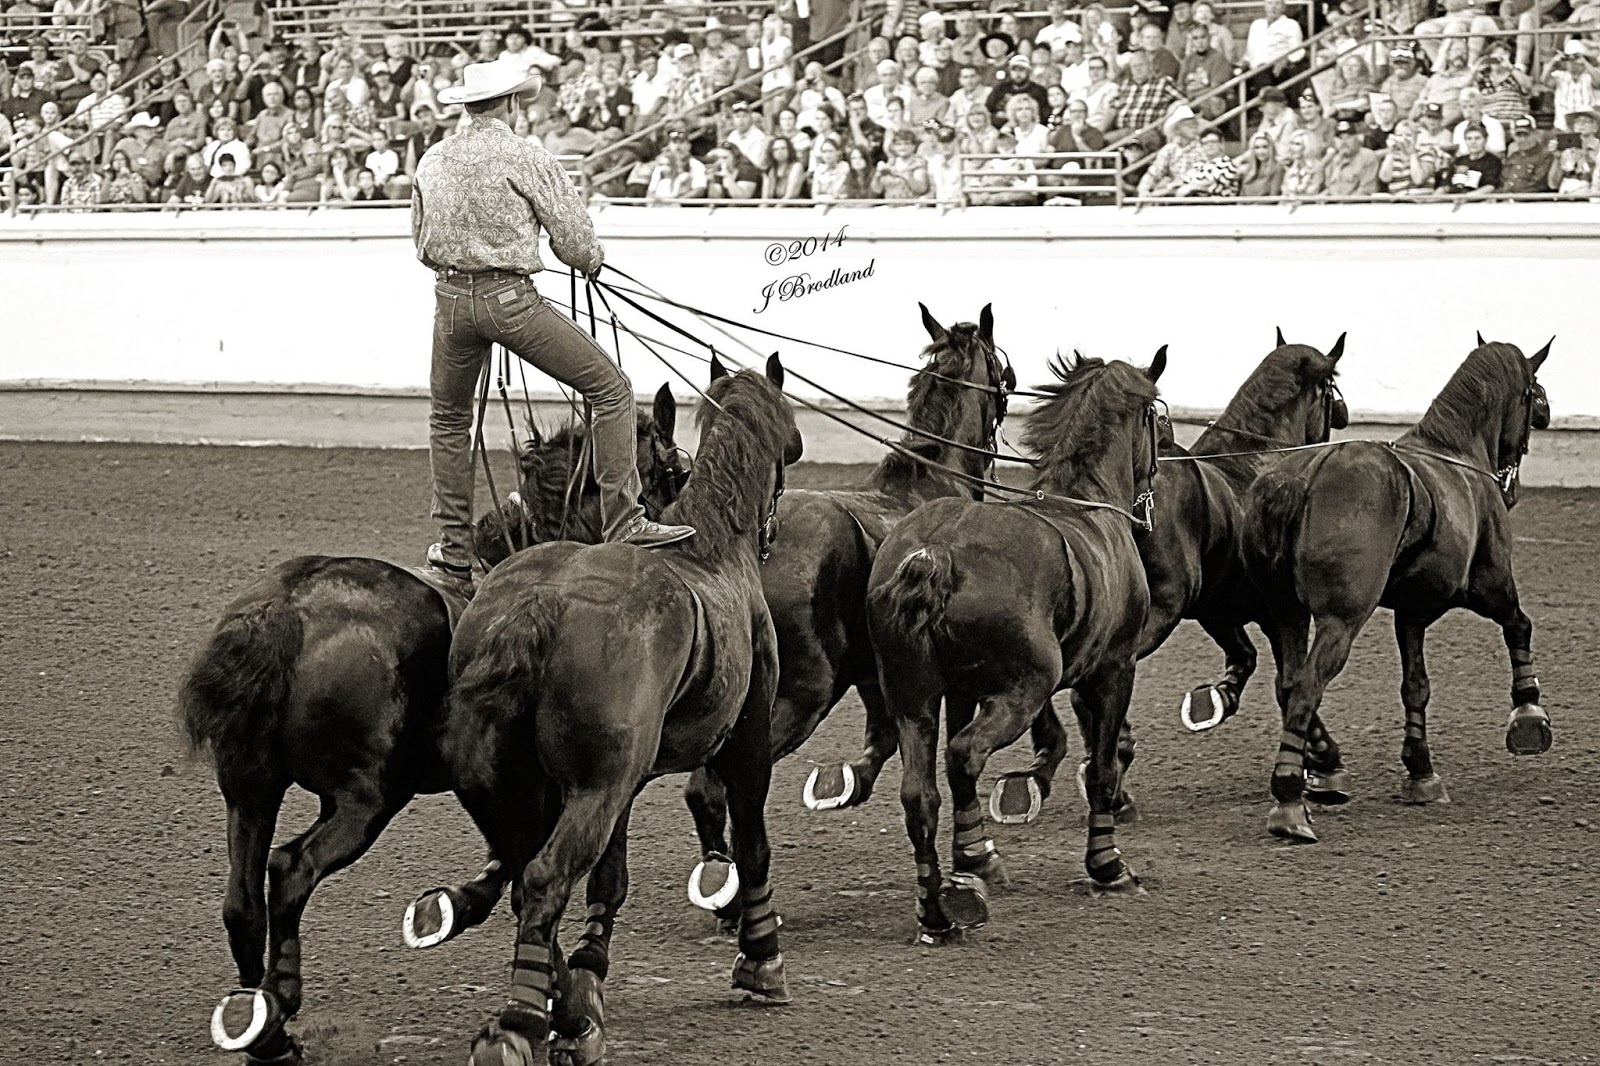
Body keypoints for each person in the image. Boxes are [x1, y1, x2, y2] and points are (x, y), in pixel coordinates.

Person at [413, 62, 695, 588]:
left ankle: (454, 550)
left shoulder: (433, 159)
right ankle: (625, 519)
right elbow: (575, 239)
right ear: (513, 104)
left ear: (468, 106)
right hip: (510, 300)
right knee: (611, 390)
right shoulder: (526, 155)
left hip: (451, 303)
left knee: (449, 418)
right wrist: (589, 261)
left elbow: (420, 240)